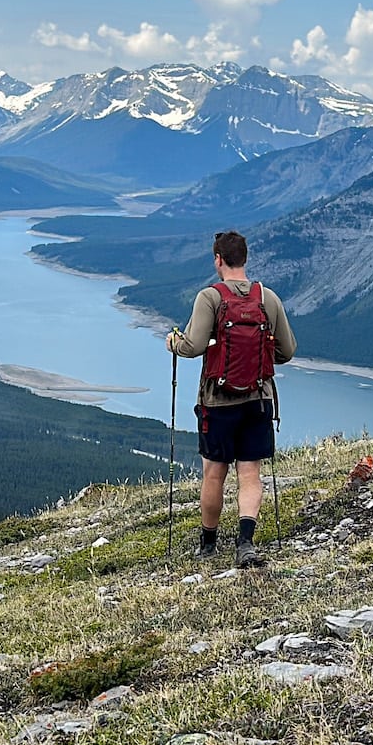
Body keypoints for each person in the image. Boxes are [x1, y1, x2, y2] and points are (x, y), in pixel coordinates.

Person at [166, 229, 295, 568]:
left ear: (218, 260)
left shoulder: (210, 297)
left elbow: (192, 346)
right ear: (246, 258)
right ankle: (246, 542)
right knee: (250, 473)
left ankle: (208, 544)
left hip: (218, 401)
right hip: (258, 399)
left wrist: (173, 344)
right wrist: (261, 358)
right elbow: (288, 350)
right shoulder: (267, 298)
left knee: (214, 474)